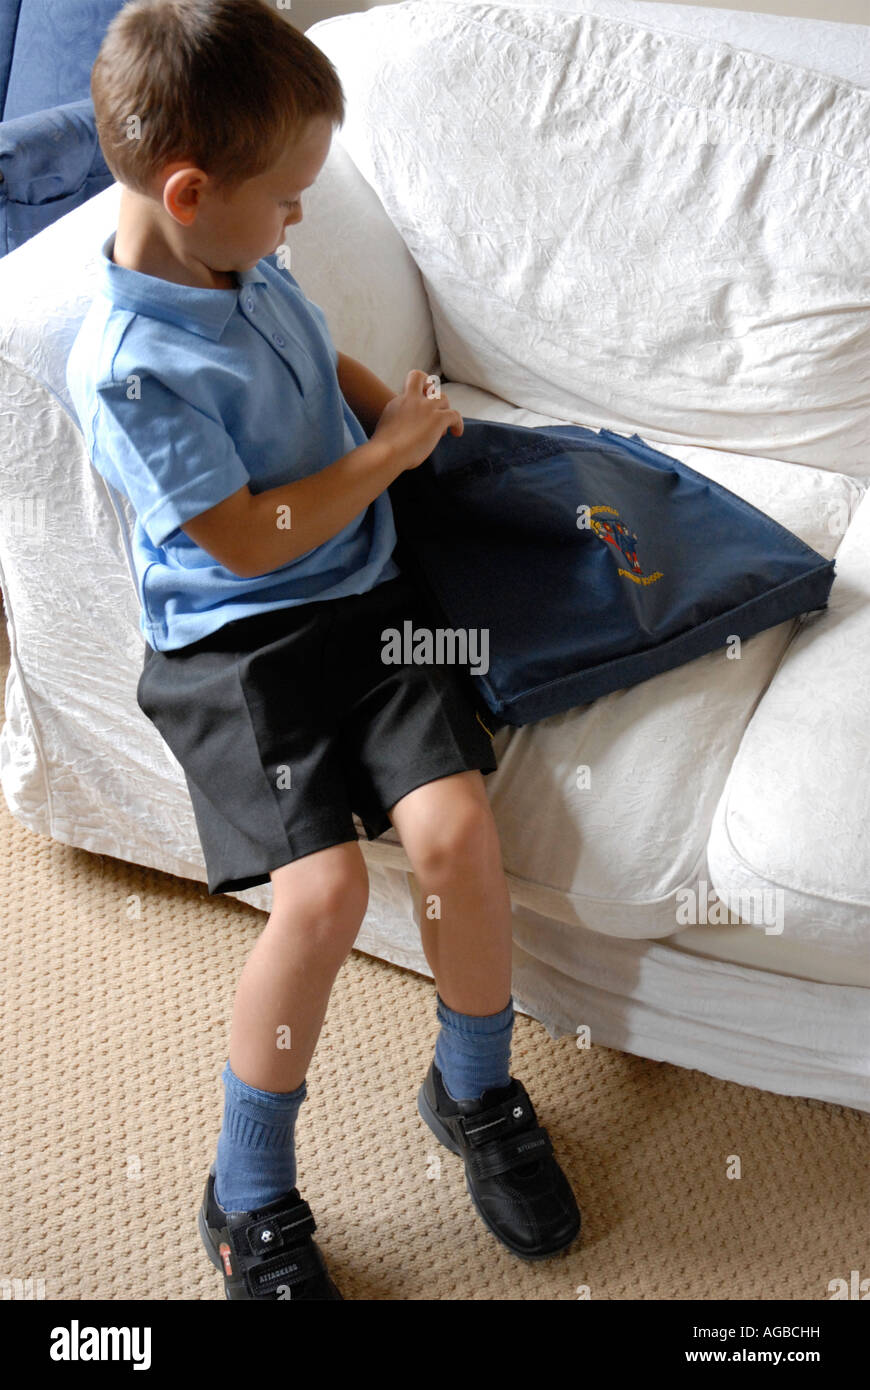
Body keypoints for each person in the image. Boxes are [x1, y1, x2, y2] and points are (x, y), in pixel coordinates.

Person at [66, 0, 580, 1301]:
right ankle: (247, 1194)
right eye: (287, 197)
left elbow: (308, 343)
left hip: (370, 599)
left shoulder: (232, 260)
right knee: (323, 900)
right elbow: (244, 536)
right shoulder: (129, 367)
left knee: (458, 834)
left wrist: (389, 408)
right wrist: (377, 460)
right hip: (240, 651)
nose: (299, 217)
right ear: (189, 192)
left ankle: (474, 1092)